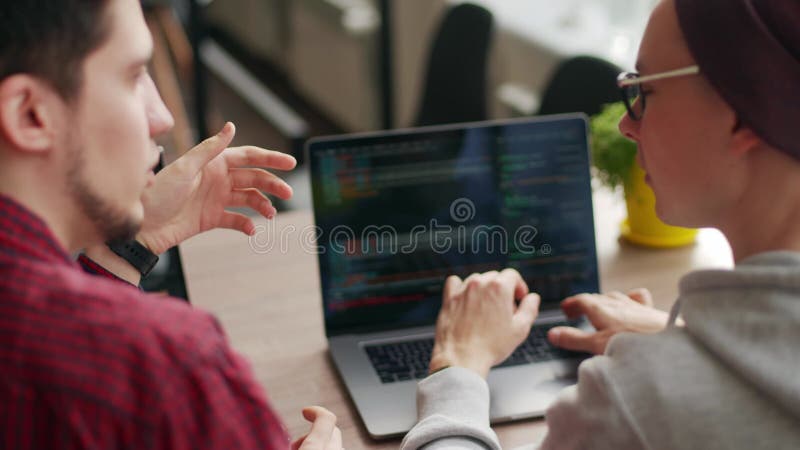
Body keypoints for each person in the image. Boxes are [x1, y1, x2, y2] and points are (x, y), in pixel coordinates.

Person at [401, 0, 800, 448]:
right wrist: (683, 338)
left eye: (644, 92)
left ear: (744, 109)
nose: (628, 125)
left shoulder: (636, 405)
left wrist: (458, 366)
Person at [0, 0, 341, 448]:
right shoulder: (167, 364)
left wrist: (133, 245)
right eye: (133, 75)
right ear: (31, 114)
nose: (163, 117)